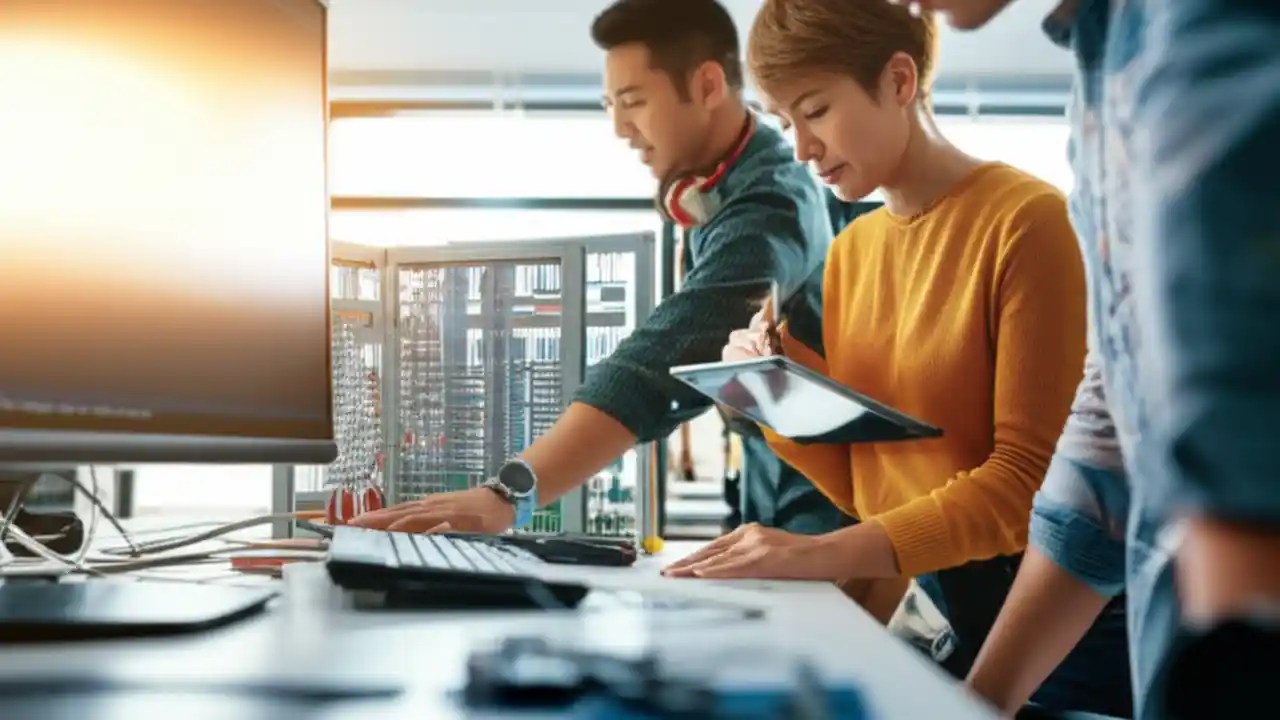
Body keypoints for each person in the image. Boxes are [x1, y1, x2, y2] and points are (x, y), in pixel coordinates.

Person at [663, 2, 1133, 715]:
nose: (802, 148)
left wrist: (818, 553)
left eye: (815, 110)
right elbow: (874, 491)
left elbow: (1026, 488)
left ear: (900, 80)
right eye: (785, 121)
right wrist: (770, 396)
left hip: (1057, 633)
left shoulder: (1027, 222)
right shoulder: (854, 252)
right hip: (951, 614)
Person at [903, 1, 1280, 718]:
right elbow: (1111, 428)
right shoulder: (1099, 75)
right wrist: (980, 704)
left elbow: (1246, 383)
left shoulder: (1200, 31)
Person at [353, 0, 848, 543]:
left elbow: (662, 359)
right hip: (776, 494)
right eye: (610, 104)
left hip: (825, 510)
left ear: (708, 86)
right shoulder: (719, 192)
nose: (619, 127)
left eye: (633, 101)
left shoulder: (771, 205)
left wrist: (509, 494)